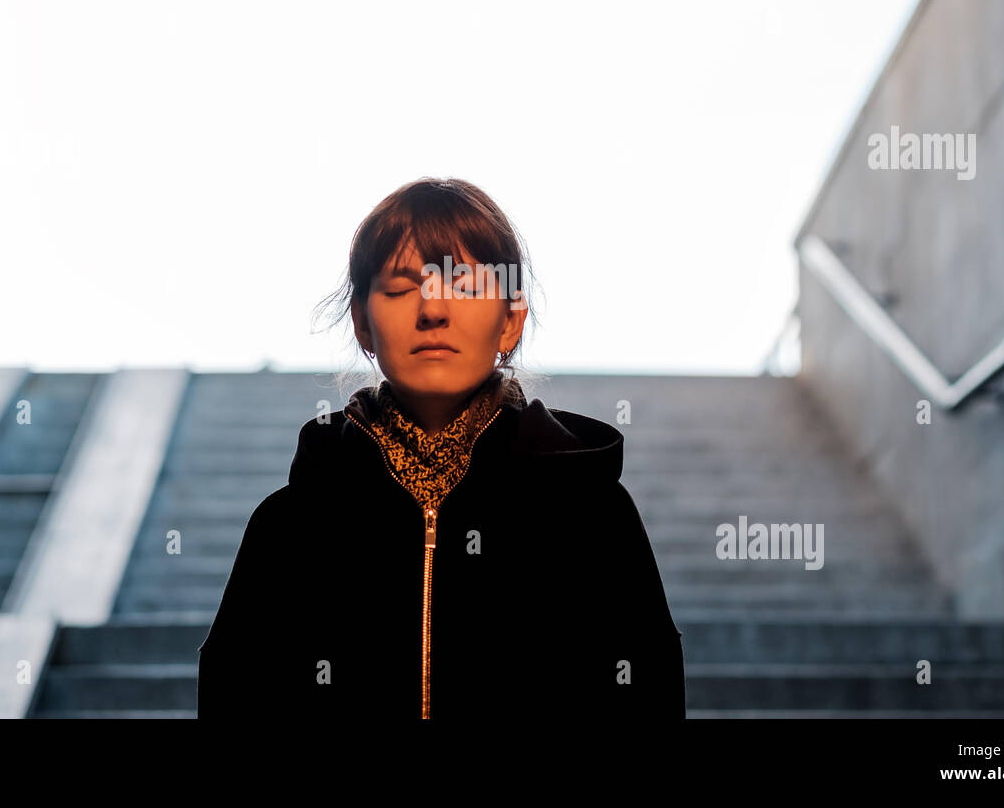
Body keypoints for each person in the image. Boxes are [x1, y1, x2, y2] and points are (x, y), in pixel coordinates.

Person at [196, 177, 685, 719]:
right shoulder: (289, 525)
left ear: (510, 321)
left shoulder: (592, 512)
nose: (432, 310)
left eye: (466, 286)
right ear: (361, 322)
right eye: (402, 288)